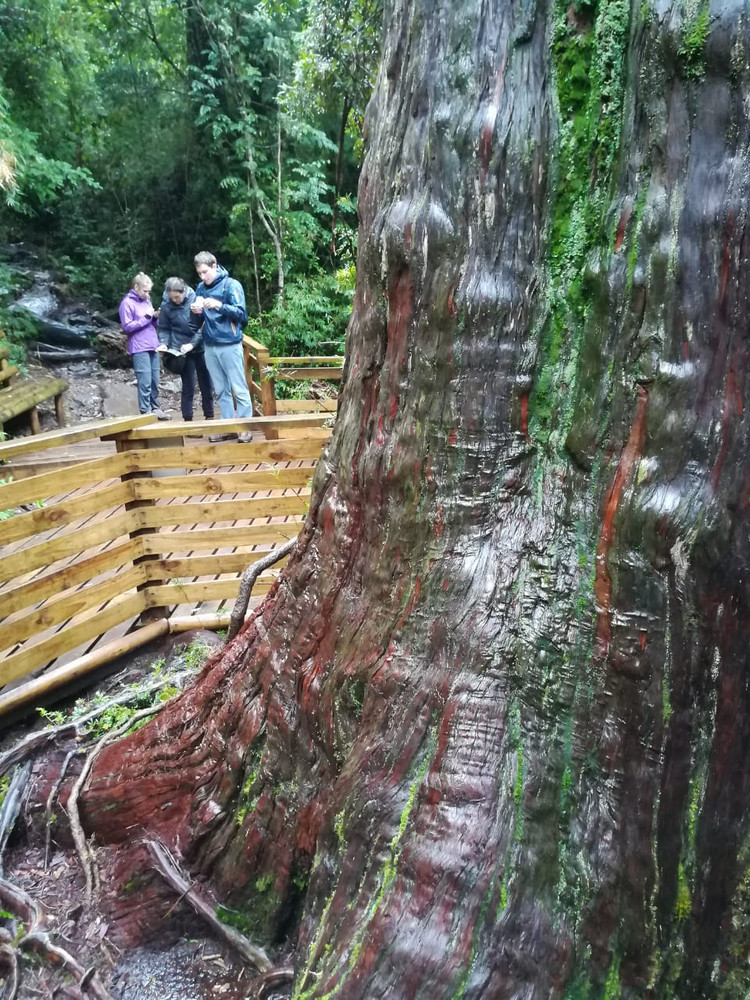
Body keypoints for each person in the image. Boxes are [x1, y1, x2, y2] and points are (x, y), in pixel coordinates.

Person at [191, 251, 253, 443]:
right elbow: (197, 321)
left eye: (205, 272)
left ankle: (244, 427)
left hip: (230, 343)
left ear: (214, 266)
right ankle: (227, 426)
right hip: (209, 344)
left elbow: (242, 315)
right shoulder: (200, 288)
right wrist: (195, 311)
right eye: (199, 273)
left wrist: (219, 305)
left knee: (238, 387)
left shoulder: (231, 285)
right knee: (220, 389)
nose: (203, 277)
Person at [157, 277, 215, 423]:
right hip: (180, 349)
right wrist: (164, 343)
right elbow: (164, 328)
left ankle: (210, 416)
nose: (175, 300)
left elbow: (205, 325)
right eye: (172, 298)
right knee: (188, 385)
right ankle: (188, 420)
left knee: (206, 383)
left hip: (199, 346)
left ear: (184, 292)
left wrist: (193, 343)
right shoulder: (166, 305)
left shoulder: (196, 299)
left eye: (177, 297)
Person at [118, 272, 170, 420]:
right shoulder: (126, 303)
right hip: (139, 346)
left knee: (155, 380)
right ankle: (145, 411)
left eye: (148, 291)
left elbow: (152, 324)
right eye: (144, 291)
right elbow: (127, 327)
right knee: (145, 380)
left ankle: (156, 408)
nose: (147, 294)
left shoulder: (146, 300)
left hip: (152, 344)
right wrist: (146, 318)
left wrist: (155, 318)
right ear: (136, 287)